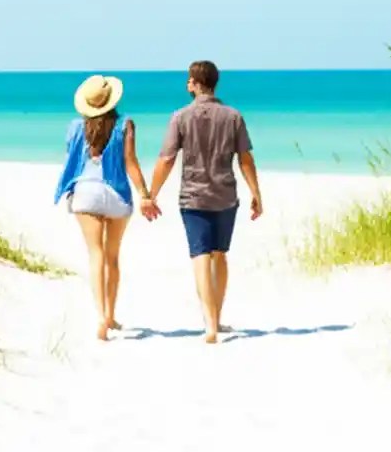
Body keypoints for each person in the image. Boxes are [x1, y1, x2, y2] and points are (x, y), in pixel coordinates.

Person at [146, 60, 262, 344]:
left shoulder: (180, 117)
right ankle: (217, 319)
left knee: (200, 257)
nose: (186, 84)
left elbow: (167, 159)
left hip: (194, 198)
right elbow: (245, 158)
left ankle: (210, 325)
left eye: (188, 80)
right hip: (225, 195)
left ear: (197, 83)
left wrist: (152, 193)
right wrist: (256, 192)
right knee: (220, 255)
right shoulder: (233, 116)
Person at [53, 74, 155, 341]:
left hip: (85, 192)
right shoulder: (125, 125)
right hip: (116, 194)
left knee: (95, 255)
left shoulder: (75, 127)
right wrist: (145, 195)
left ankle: (100, 318)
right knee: (112, 256)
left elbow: (71, 160)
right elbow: (131, 163)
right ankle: (111, 315)